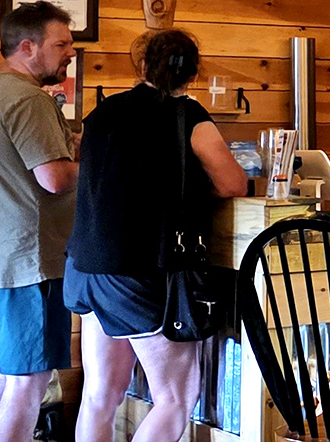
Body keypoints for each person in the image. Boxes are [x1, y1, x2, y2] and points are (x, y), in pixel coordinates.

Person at [63, 28, 248, 442]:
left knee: (100, 394)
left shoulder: (103, 113)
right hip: (138, 272)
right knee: (176, 398)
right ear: (193, 74)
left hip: (85, 268)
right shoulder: (188, 116)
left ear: (144, 65)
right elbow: (233, 183)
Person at [0, 1, 79, 442]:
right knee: (28, 384)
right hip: (29, 263)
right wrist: (104, 166)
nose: (71, 53)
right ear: (27, 47)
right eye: (61, 44)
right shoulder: (27, 99)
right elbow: (55, 178)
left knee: (1, 377)